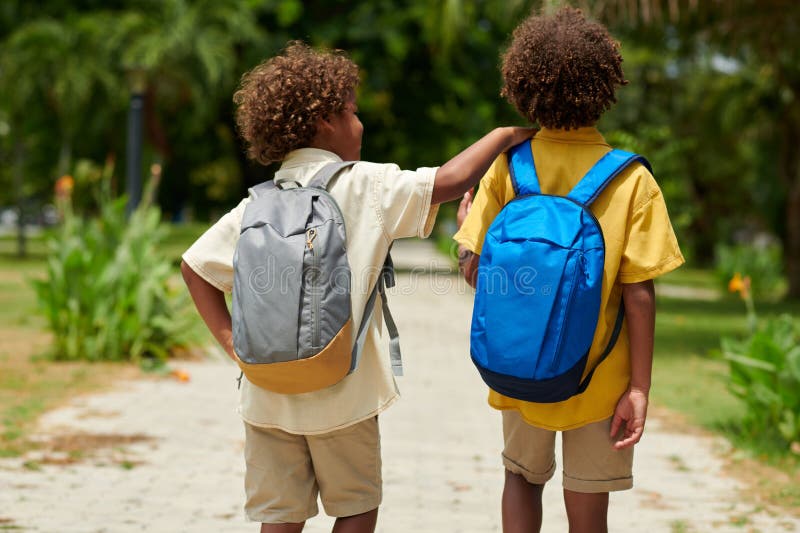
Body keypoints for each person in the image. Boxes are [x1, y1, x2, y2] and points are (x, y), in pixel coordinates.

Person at [180, 41, 533, 533]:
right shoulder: (367, 185)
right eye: (353, 112)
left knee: (278, 517)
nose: (360, 124)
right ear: (325, 121)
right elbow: (450, 180)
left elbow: (194, 267)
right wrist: (506, 133)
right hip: (342, 392)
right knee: (356, 507)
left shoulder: (257, 202)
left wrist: (233, 347)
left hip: (265, 393)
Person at [453, 7, 684, 533]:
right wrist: (640, 388)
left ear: (520, 85)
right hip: (597, 377)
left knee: (520, 479)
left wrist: (466, 241)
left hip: (518, 367)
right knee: (587, 506)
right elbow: (640, 292)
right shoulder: (630, 179)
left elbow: (475, 271)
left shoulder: (509, 164)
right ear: (605, 84)